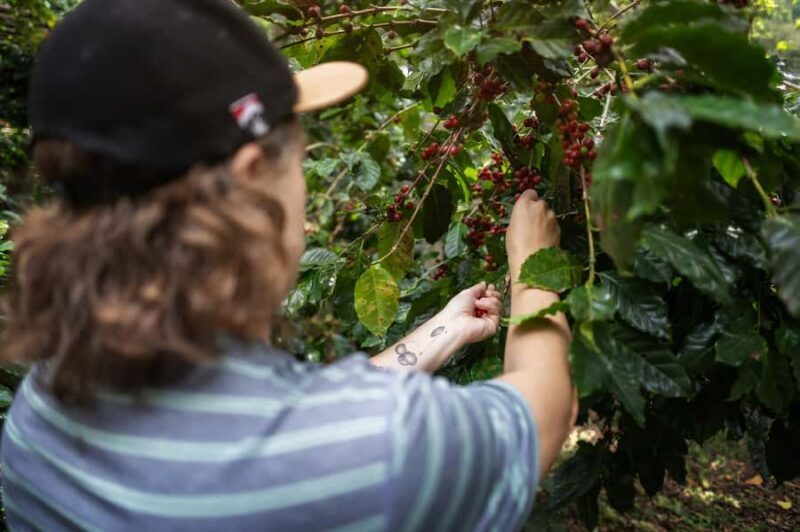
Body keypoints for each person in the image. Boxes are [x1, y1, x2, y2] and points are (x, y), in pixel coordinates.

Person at [0, 0, 577, 530]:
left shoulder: (41, 415)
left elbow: (311, 429)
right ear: (253, 180)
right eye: (298, 161)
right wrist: (535, 264)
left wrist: (444, 329)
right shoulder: (383, 454)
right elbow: (545, 414)